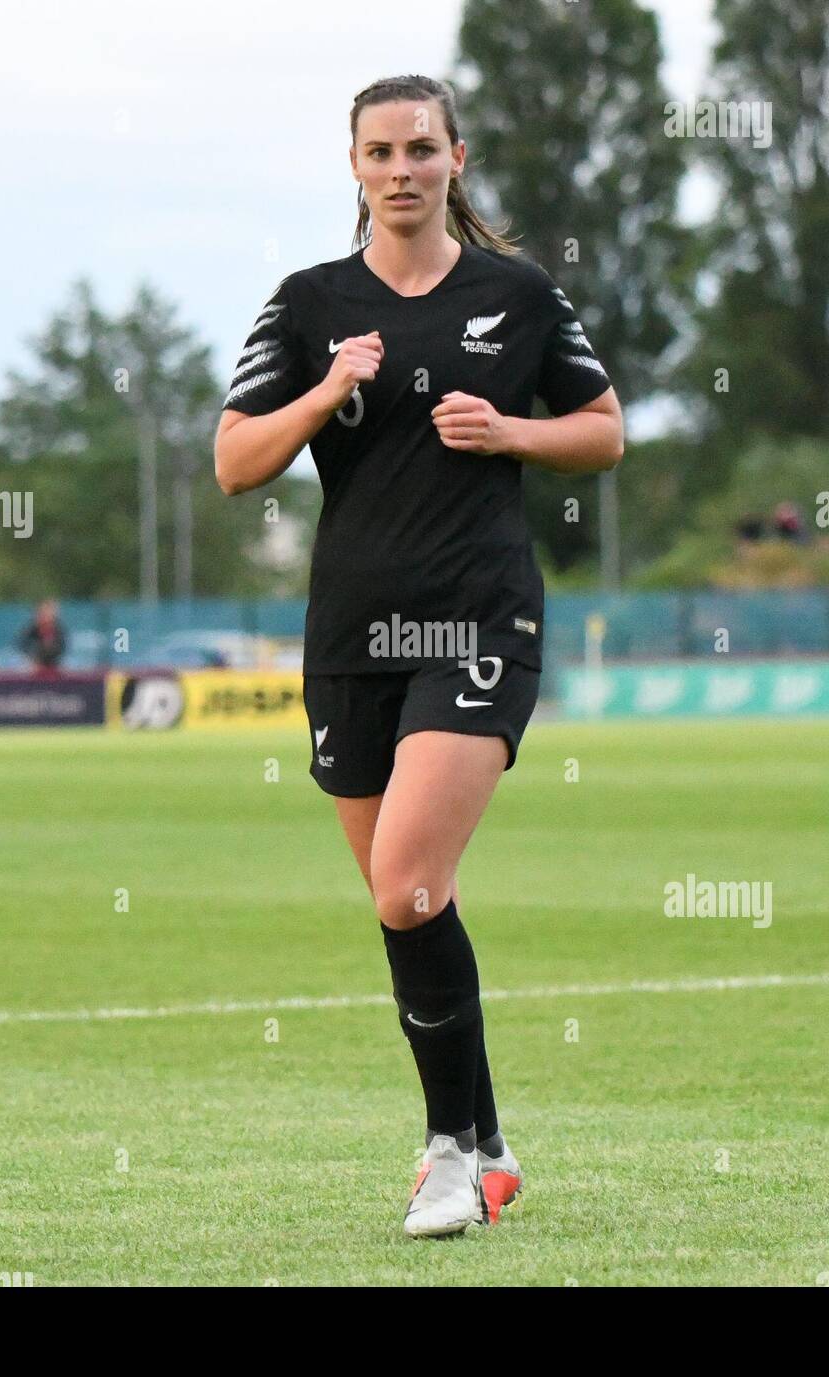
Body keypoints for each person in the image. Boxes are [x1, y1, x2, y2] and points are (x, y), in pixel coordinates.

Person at [214, 74, 623, 1238]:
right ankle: (489, 1145)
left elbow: (603, 431)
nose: (401, 169)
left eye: (422, 149)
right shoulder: (305, 306)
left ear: (457, 159)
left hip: (477, 622)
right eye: (380, 151)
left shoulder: (519, 293)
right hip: (349, 639)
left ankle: (446, 1156)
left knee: (406, 883)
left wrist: (512, 433)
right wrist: (330, 390)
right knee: (411, 905)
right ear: (353, 166)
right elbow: (236, 463)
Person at [18, 599, 67, 674]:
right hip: (35, 664)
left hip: (53, 664)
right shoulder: (33, 628)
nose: (48, 616)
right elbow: (22, 644)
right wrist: (33, 659)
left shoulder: (58, 629)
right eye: (45, 612)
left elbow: (61, 647)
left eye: (51, 612)